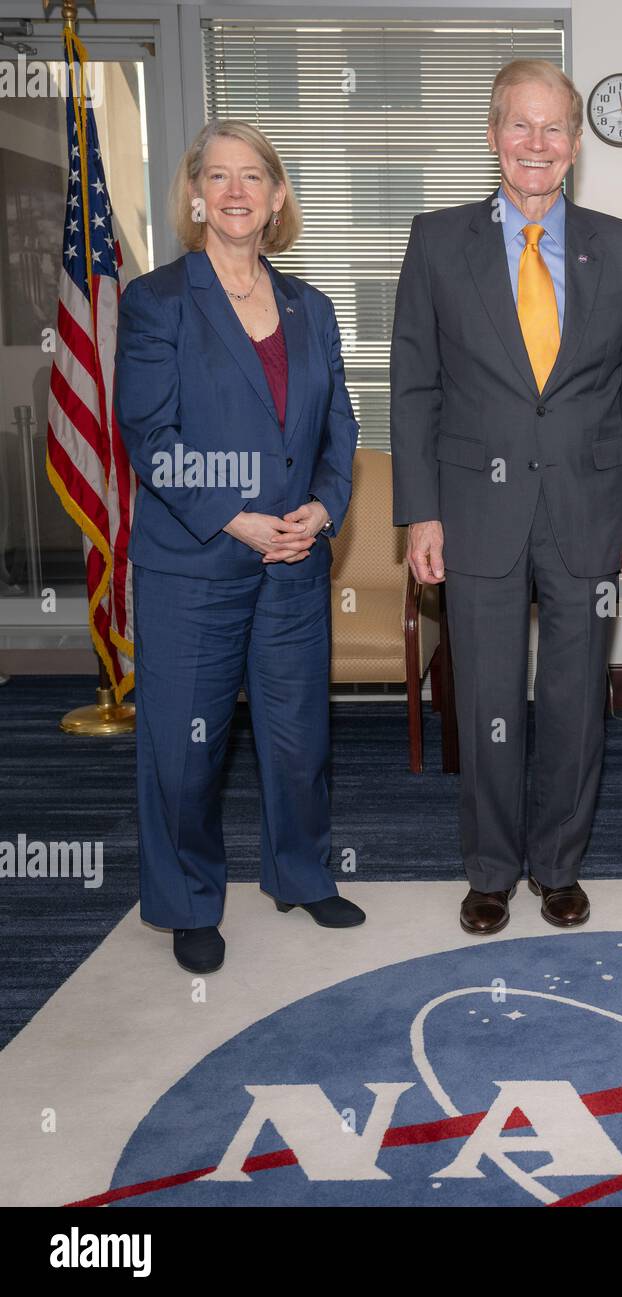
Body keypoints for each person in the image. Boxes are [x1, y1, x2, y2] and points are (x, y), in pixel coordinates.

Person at [390, 60, 622, 936]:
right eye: (521, 126)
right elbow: (414, 388)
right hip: (474, 510)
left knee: (578, 697)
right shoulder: (436, 242)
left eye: (555, 129)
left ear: (577, 144)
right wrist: (420, 511)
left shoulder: (619, 245)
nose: (537, 145)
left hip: (590, 507)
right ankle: (489, 868)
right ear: (492, 135)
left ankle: (559, 864)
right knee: (489, 700)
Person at [116, 120, 364, 974]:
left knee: (299, 737)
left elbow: (341, 426)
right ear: (195, 196)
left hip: (294, 558)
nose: (234, 191)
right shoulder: (155, 301)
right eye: (216, 176)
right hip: (194, 560)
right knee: (188, 744)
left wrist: (324, 510)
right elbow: (150, 434)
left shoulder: (312, 305)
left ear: (277, 196)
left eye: (251, 176)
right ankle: (187, 899)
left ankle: (300, 873)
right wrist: (235, 515)